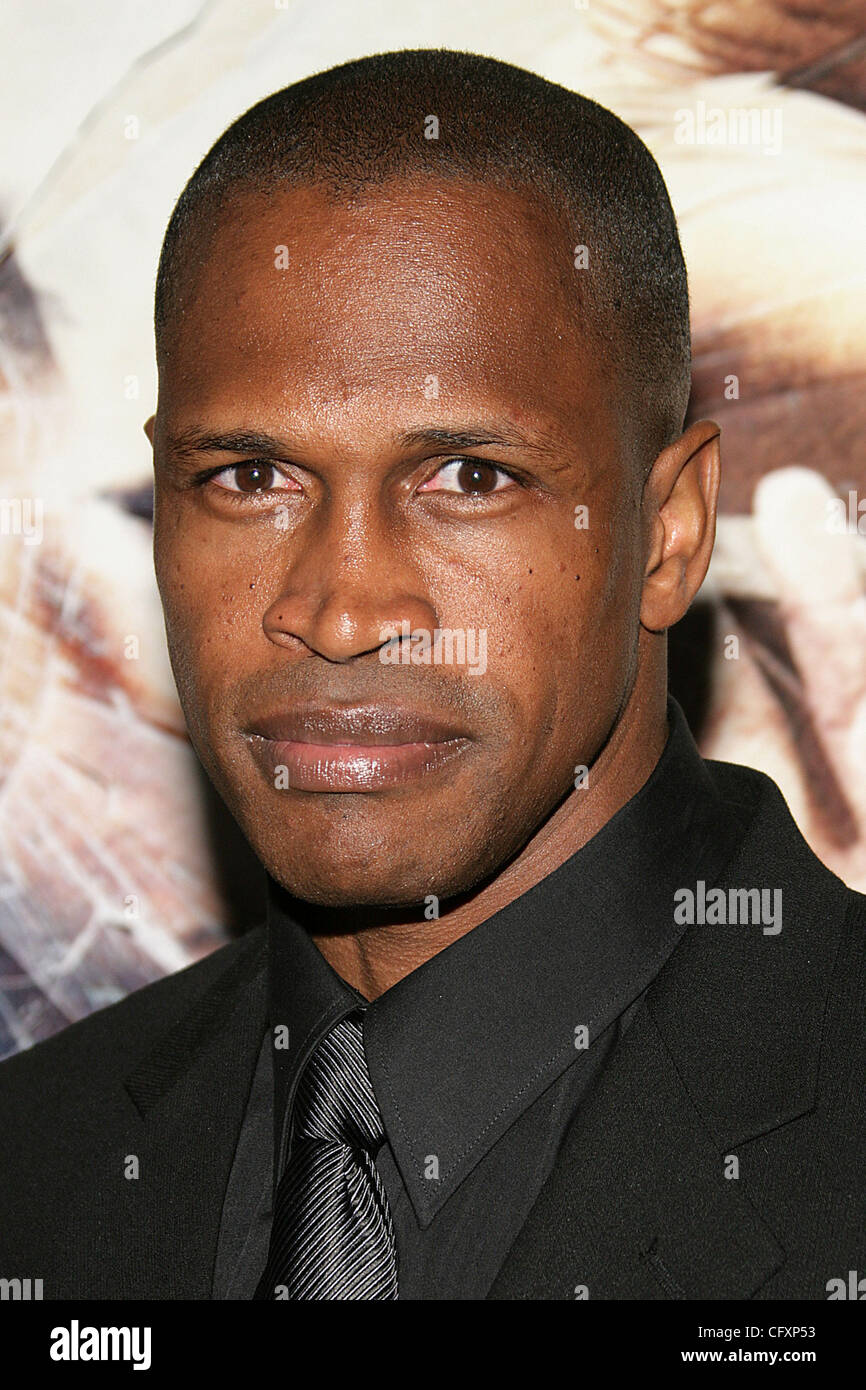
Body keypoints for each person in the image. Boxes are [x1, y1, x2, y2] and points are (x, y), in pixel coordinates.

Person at [1, 48, 863, 1302]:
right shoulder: (35, 1165)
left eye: (469, 477)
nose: (341, 612)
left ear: (667, 533)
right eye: (249, 477)